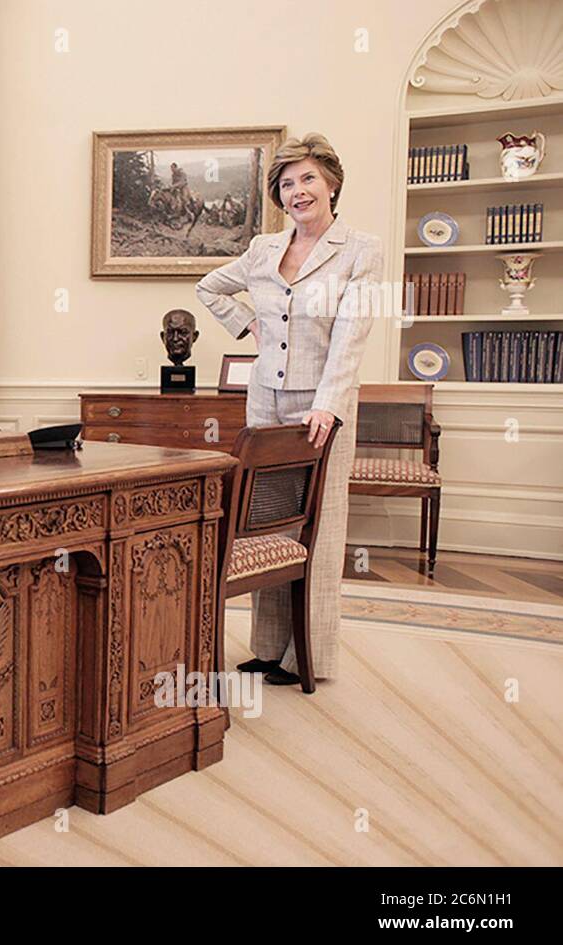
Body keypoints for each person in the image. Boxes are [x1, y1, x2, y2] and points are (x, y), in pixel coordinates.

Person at [195, 133, 382, 686]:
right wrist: (247, 324)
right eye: (286, 183)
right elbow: (209, 288)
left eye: (307, 179)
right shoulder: (262, 249)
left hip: (320, 408)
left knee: (317, 527)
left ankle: (308, 657)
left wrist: (327, 404)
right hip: (265, 402)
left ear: (331, 185)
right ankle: (269, 647)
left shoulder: (360, 250)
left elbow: (351, 335)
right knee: (267, 521)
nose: (297, 191)